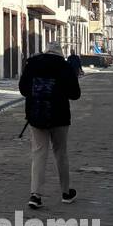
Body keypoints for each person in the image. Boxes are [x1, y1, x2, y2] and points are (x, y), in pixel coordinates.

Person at [20, 41, 82, 208]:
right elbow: (75, 94)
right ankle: (66, 192)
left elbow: (23, 89)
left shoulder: (32, 64)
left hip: (36, 116)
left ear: (45, 51)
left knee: (39, 153)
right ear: (60, 53)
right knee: (61, 153)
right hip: (59, 117)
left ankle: (35, 195)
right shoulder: (65, 66)